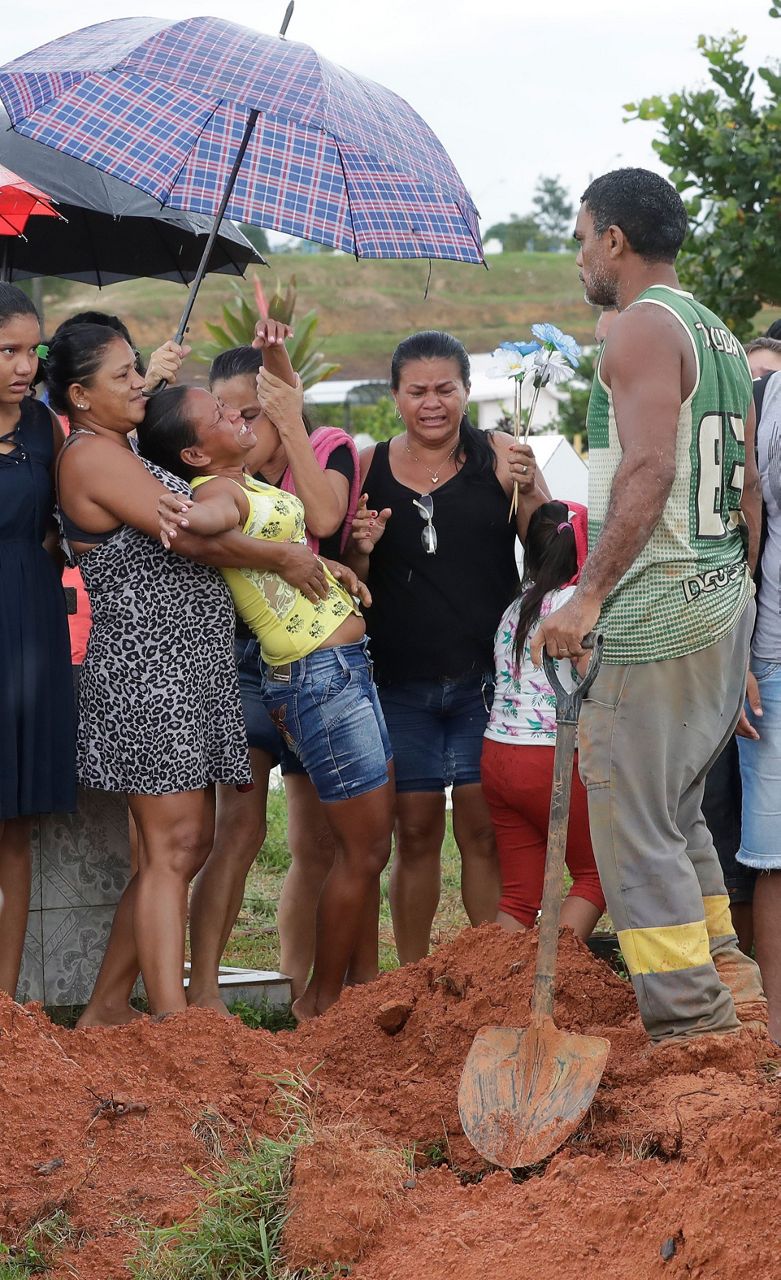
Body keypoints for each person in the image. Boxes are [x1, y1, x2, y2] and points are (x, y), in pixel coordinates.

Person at [531, 166, 765, 1042]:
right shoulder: (720, 336)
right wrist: (739, 610)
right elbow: (746, 489)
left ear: (615, 242)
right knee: (674, 816)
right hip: (716, 602)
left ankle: (691, 1031)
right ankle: (734, 993)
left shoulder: (634, 330)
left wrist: (587, 598)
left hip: (657, 612)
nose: (579, 257)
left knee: (633, 832)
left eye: (582, 237)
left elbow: (650, 467)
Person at [51, 324, 329, 1023]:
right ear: (80, 395)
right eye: (121, 376)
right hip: (150, 675)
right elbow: (184, 534)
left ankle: (108, 1009)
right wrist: (284, 559)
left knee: (181, 846)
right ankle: (175, 1024)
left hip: (183, 670)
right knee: (174, 847)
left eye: (137, 368)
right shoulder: (90, 457)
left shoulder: (123, 449)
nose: (138, 381)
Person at [140, 385, 394, 1020]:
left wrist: (331, 570)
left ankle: (346, 995)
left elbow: (290, 546)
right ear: (196, 453)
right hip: (316, 677)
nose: (237, 415)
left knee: (362, 849)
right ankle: (321, 1004)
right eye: (222, 416)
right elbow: (206, 525)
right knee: (363, 852)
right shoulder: (215, 491)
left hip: (336, 669)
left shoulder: (247, 482)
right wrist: (176, 514)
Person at [347, 330, 547, 964]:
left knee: (484, 832)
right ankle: (413, 976)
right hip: (399, 683)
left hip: (487, 684)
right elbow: (350, 576)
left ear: (466, 390)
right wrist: (360, 548)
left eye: (446, 389)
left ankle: (492, 974)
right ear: (395, 396)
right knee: (416, 832)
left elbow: (547, 553)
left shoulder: (500, 460)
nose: (432, 403)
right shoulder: (366, 467)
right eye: (417, 391)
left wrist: (534, 484)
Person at [184, 337, 362, 1006]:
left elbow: (322, 519)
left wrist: (288, 418)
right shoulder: (213, 480)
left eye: (253, 414)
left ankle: (299, 987)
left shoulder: (325, 449)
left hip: (318, 663)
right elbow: (194, 532)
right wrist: (281, 558)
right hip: (239, 659)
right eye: (227, 415)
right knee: (241, 827)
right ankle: (201, 992)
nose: (242, 427)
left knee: (316, 837)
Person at [481, 500, 605, 939]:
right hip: (551, 759)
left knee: (518, 894)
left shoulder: (515, 608)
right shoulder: (581, 609)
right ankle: (549, 980)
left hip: (497, 754)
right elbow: (597, 680)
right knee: (596, 873)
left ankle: (500, 993)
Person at [0, 284, 75, 999]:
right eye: (8, 350)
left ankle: (7, 1005)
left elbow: (74, 510)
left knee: (14, 820)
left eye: (34, 350)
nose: (26, 365)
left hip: (31, 622)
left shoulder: (45, 427)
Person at [735, 368, 781, 1044]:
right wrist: (736, 652)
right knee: (770, 852)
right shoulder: (764, 396)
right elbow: (741, 519)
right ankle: (773, 1022)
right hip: (769, 653)